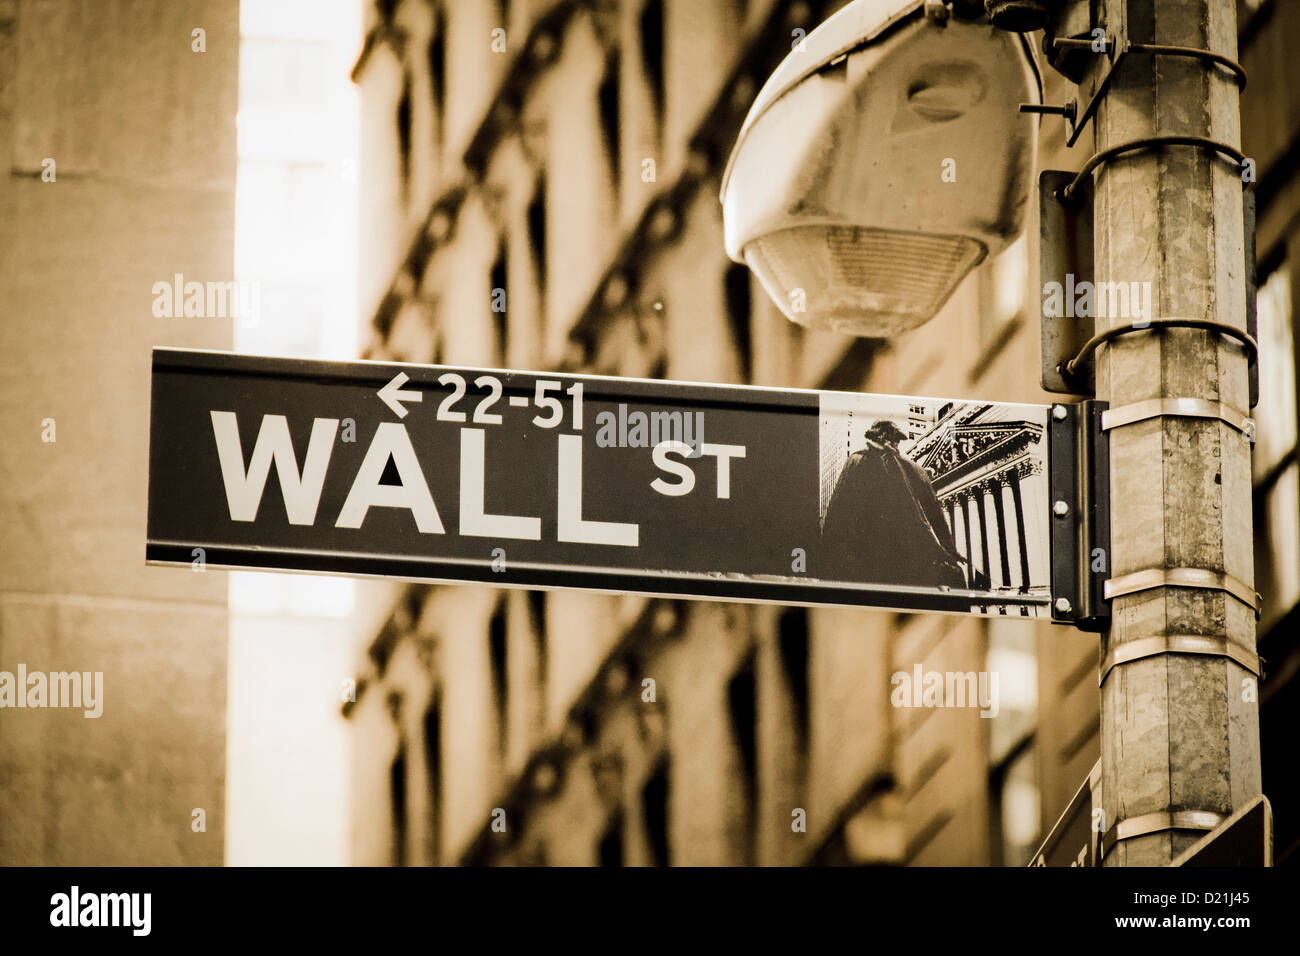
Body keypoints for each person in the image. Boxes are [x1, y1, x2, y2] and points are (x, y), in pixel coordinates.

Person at [819, 420, 967, 589]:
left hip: (903, 552)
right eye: (892, 438)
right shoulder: (858, 460)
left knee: (951, 578)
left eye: (897, 440)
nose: (895, 444)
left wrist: (949, 549)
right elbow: (839, 512)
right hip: (870, 553)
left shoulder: (908, 467)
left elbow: (934, 511)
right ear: (880, 437)